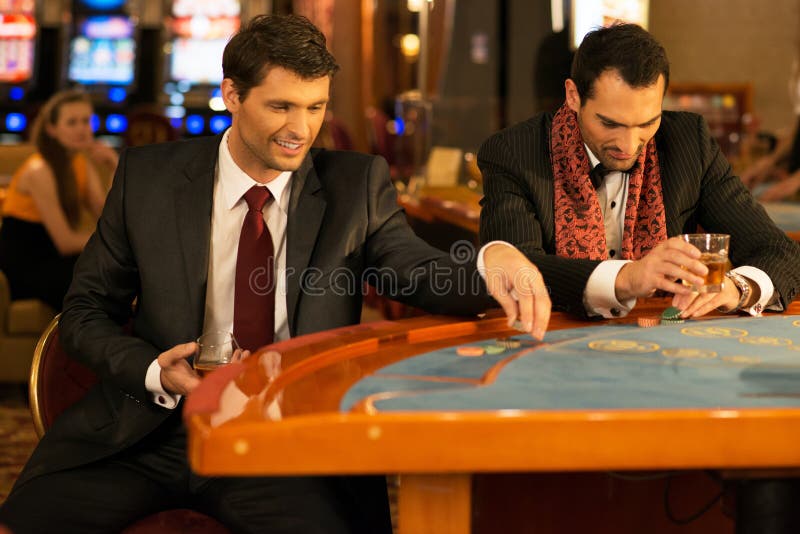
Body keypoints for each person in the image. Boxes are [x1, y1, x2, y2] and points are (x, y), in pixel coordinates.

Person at [0, 14, 550, 534]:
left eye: (315, 108)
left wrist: (488, 261)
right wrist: (154, 372)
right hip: (151, 429)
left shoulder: (355, 186)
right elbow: (86, 312)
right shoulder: (147, 179)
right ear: (232, 95)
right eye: (282, 106)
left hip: (284, 438)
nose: (301, 129)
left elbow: (418, 271)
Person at [479, 23, 800, 534]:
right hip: (550, 378)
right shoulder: (512, 152)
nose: (631, 144)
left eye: (646, 122)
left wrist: (734, 287)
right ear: (572, 95)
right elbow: (520, 263)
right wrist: (627, 277)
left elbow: (777, 251)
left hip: (670, 378)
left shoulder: (687, 140)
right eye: (610, 123)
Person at [0, 89, 114, 310]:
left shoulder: (80, 163)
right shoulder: (39, 170)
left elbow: (107, 219)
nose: (82, 129)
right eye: (72, 122)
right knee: (98, 281)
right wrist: (110, 244)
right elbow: (65, 242)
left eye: (85, 120)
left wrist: (114, 166)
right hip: (23, 264)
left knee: (114, 276)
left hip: (51, 259)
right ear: (51, 129)